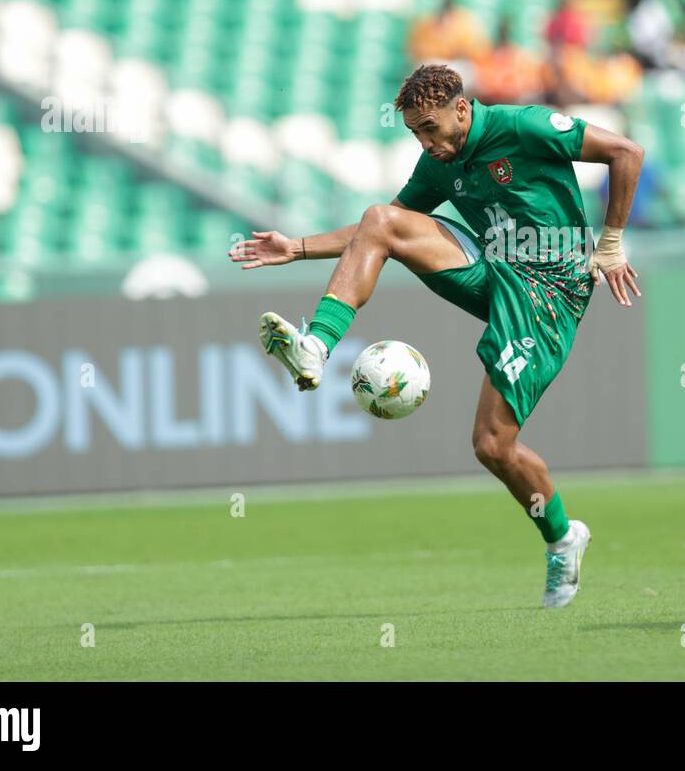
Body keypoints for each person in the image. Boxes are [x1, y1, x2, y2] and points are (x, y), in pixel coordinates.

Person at [229, 64, 645, 608]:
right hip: (492, 268)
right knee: (381, 217)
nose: (426, 143)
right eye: (415, 134)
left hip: (549, 294)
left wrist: (610, 243)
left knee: (492, 445)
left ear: (463, 109)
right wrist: (298, 247)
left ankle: (564, 536)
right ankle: (318, 346)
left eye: (430, 127)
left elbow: (627, 153)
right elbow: (375, 232)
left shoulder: (525, 126)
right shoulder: (437, 162)